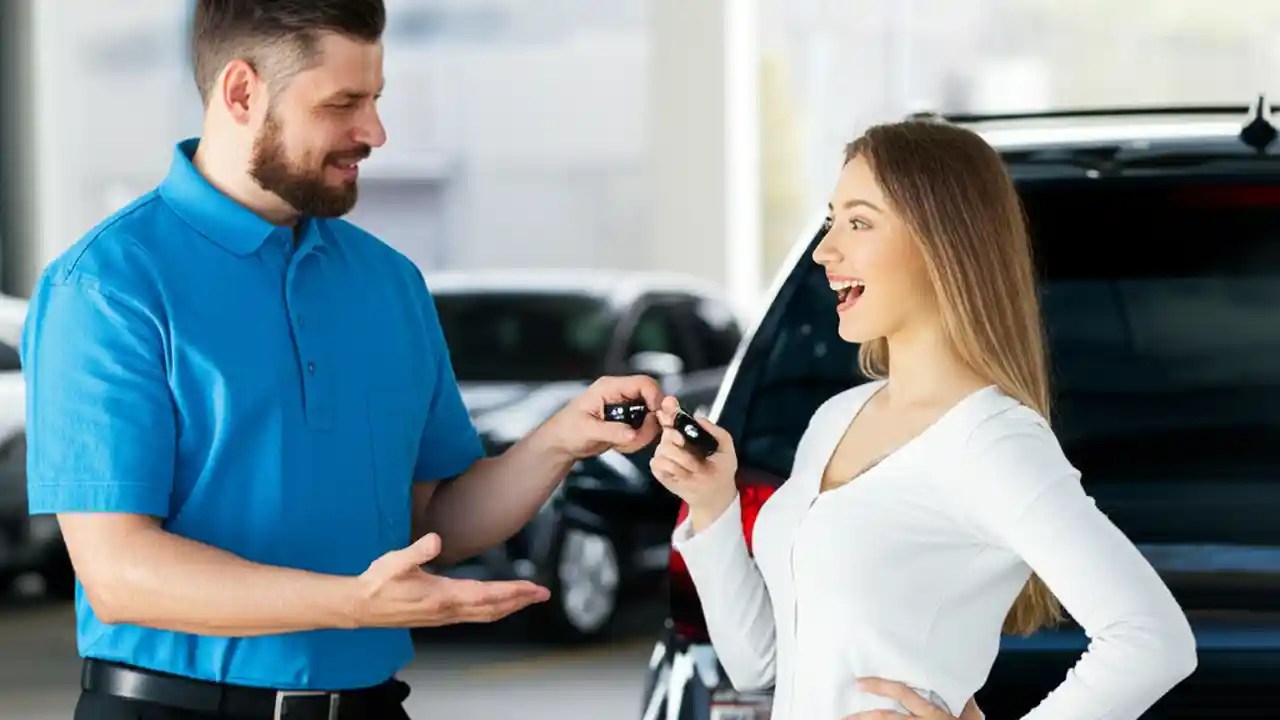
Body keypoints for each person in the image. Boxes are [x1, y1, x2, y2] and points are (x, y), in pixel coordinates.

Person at [21, 2, 664, 718]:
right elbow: (120, 575)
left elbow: (433, 520)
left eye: (376, 99)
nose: (375, 133)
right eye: (343, 103)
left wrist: (561, 438)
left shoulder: (390, 284)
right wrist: (353, 604)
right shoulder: (107, 286)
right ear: (241, 92)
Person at [650, 120, 1198, 720]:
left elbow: (1152, 641)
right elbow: (762, 664)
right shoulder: (837, 418)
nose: (825, 250)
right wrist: (712, 507)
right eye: (832, 220)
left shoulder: (991, 442)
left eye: (858, 223)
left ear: (944, 241)